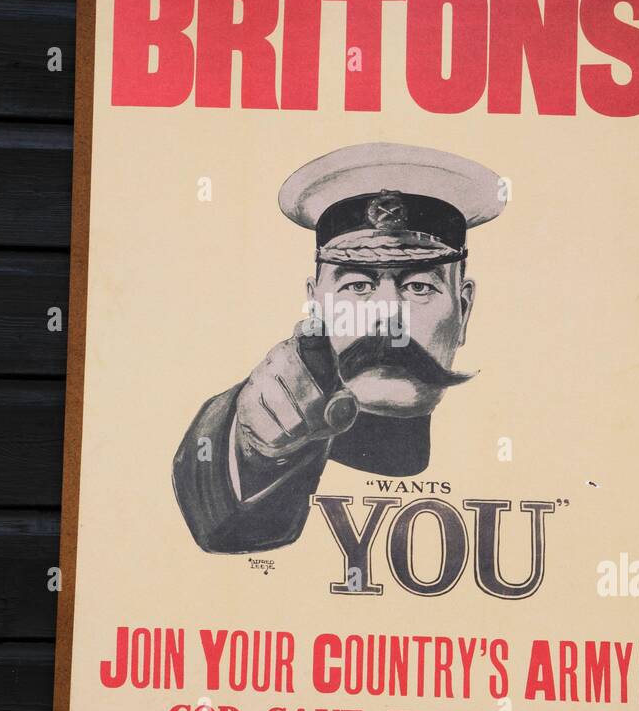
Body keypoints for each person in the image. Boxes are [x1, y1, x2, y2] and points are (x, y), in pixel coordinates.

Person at [173, 141, 504, 553]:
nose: (387, 314)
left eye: (419, 286)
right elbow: (227, 511)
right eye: (357, 286)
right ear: (315, 306)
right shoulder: (261, 422)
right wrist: (252, 446)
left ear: (464, 311)